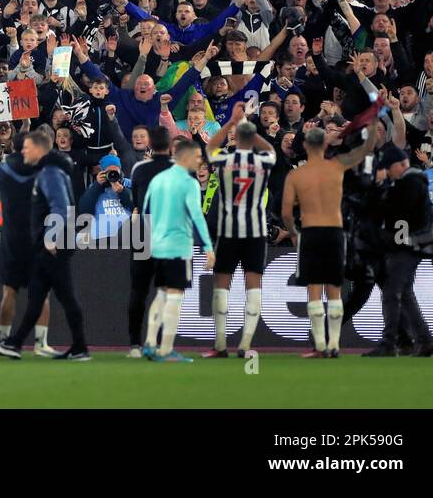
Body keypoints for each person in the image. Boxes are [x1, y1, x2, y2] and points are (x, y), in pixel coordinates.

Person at [0, 129, 90, 360]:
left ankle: (80, 347)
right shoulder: (47, 170)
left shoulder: (49, 172)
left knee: (65, 296)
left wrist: (51, 238)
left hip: (53, 244)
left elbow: (61, 208)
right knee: (38, 295)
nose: (23, 150)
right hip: (46, 243)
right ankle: (17, 343)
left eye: (27, 147)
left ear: (38, 148)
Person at [282, 126, 375, 358]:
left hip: (311, 232)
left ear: (304, 146)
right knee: (334, 289)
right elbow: (366, 149)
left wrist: (293, 232)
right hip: (335, 232)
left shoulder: (296, 175)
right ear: (325, 145)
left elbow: (285, 212)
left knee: (314, 290)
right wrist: (371, 127)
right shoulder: (337, 166)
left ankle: (320, 346)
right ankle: (334, 345)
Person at [203, 106, 276, 358]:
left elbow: (209, 148)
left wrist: (229, 124)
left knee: (222, 284)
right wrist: (251, 132)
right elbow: (272, 150)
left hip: (229, 230)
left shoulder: (224, 160)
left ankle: (221, 344)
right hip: (255, 232)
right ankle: (245, 344)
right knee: (253, 285)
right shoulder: (263, 161)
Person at [137, 140, 214, 363]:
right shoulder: (188, 183)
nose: (200, 160)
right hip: (178, 246)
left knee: (161, 293)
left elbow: (145, 212)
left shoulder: (158, 180)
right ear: (186, 156)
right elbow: (197, 216)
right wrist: (208, 247)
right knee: (175, 296)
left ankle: (150, 344)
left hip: (157, 246)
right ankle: (166, 349)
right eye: (198, 156)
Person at [366, 144, 433, 357]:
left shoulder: (410, 182)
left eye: (389, 169)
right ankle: (426, 341)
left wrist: (381, 189)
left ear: (399, 165)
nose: (388, 173)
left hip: (408, 245)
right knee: (405, 294)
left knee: (391, 292)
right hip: (409, 243)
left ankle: (389, 343)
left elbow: (396, 212)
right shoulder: (411, 181)